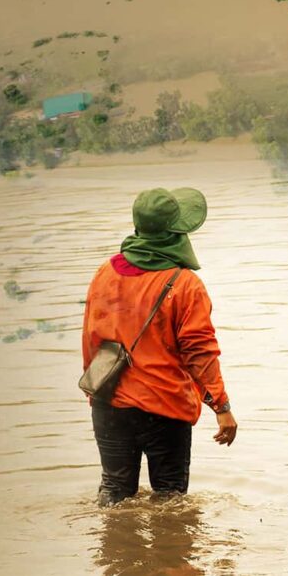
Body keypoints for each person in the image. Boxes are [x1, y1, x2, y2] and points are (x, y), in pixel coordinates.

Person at [82, 187, 238, 505]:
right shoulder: (184, 284)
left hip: (110, 401)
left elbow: (91, 339)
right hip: (164, 405)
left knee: (113, 495)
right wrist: (221, 407)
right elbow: (199, 352)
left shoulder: (105, 272)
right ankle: (170, 554)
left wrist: (95, 390)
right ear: (176, 233)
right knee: (170, 501)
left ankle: (111, 551)